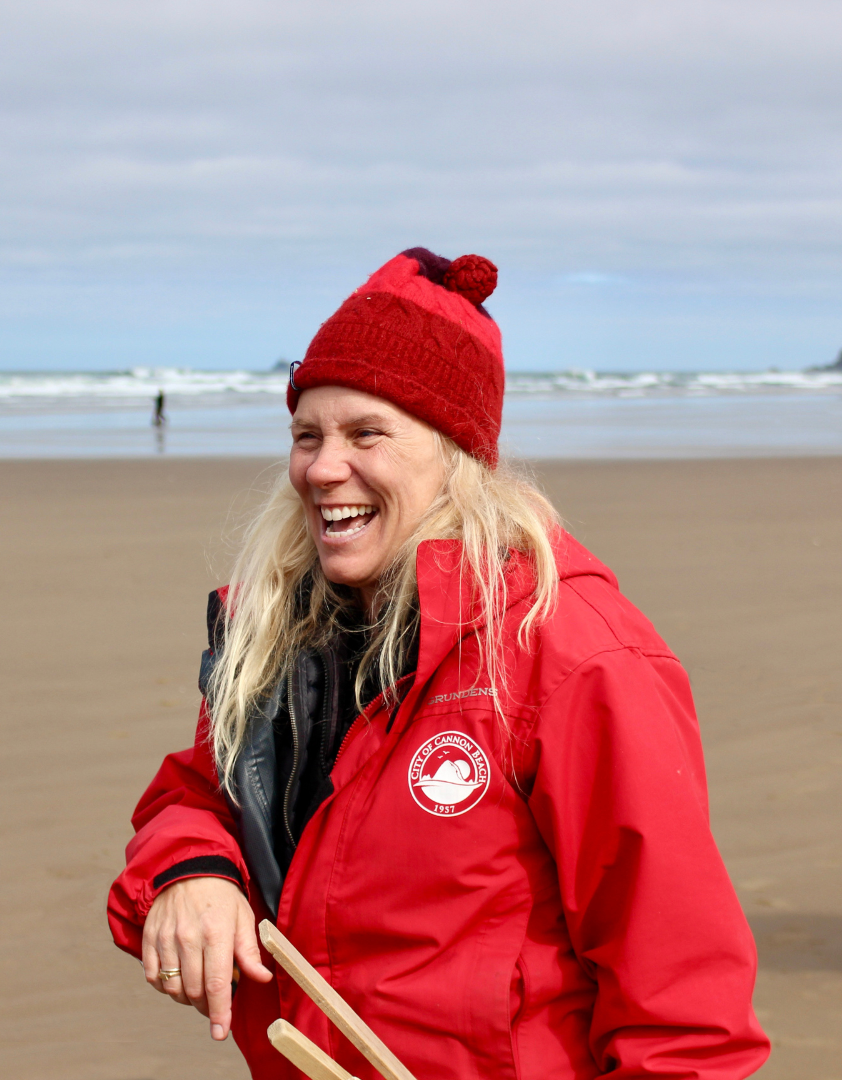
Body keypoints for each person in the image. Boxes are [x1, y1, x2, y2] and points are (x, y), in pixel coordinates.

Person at [107, 249, 770, 1080]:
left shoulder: (572, 654)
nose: (321, 467)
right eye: (306, 435)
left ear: (456, 453)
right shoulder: (277, 629)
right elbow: (198, 794)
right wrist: (191, 871)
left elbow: (687, 1016)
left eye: (366, 433)